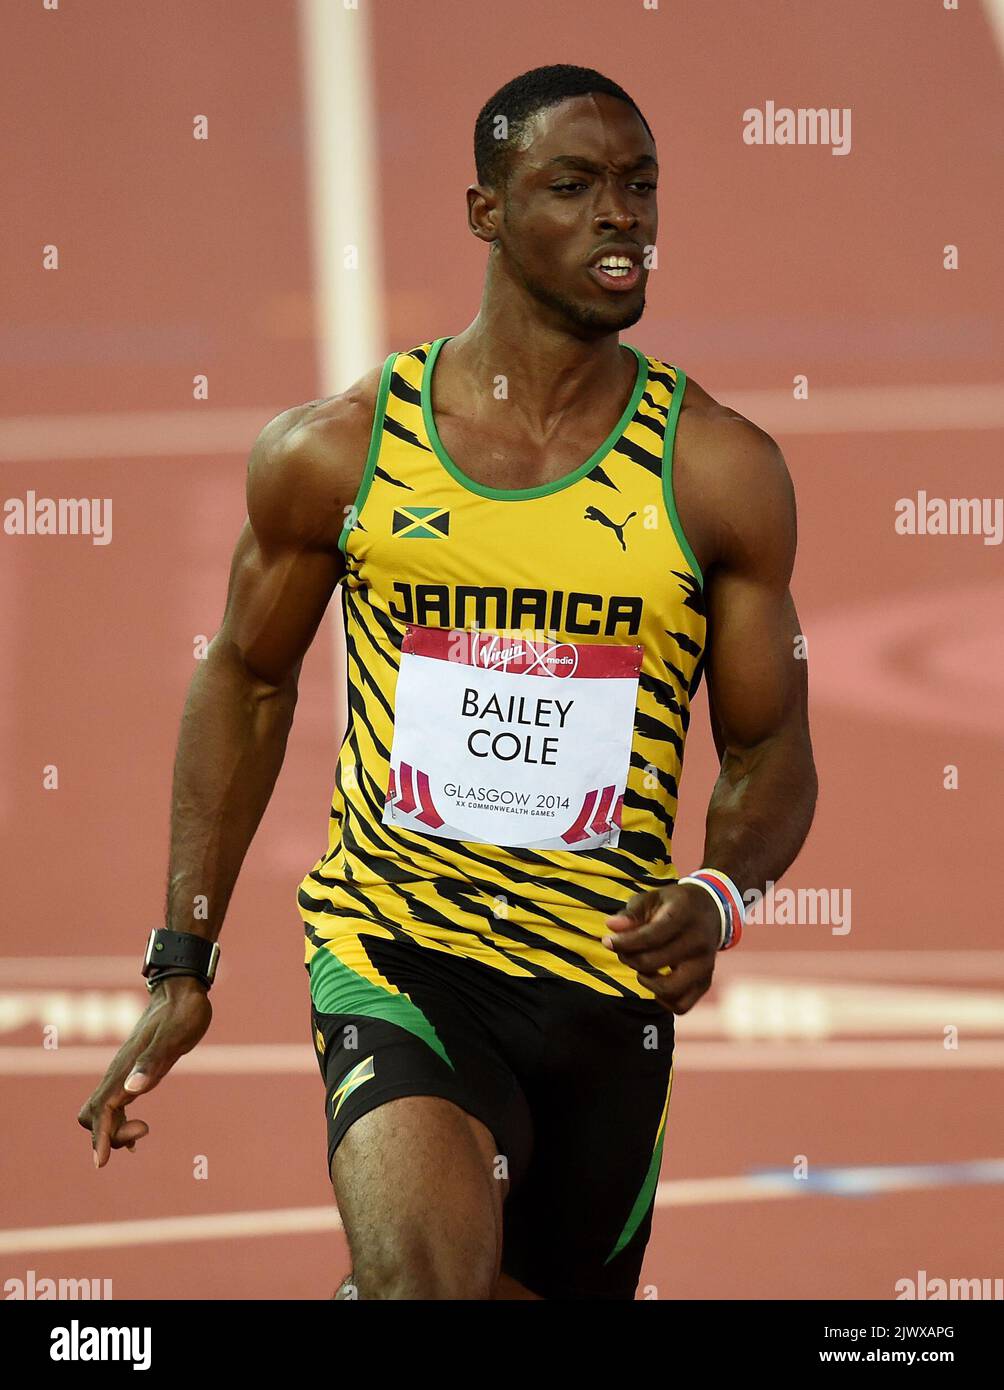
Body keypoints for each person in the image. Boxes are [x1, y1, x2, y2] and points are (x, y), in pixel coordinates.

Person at [79, 63, 817, 1301]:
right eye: (571, 187)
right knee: (426, 1281)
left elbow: (768, 747)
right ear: (485, 213)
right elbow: (246, 682)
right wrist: (181, 959)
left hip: (601, 984)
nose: (620, 216)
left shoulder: (717, 473)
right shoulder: (344, 450)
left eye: (638, 186)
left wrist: (719, 889)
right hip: (397, 949)